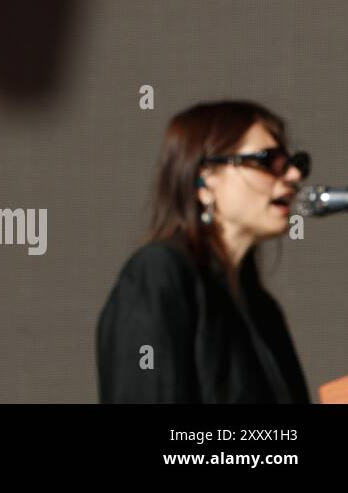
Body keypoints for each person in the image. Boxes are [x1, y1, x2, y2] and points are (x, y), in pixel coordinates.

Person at [96, 100, 311, 403]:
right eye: (268, 160)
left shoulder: (263, 309)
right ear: (206, 179)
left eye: (295, 163)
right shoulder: (159, 272)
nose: (292, 176)